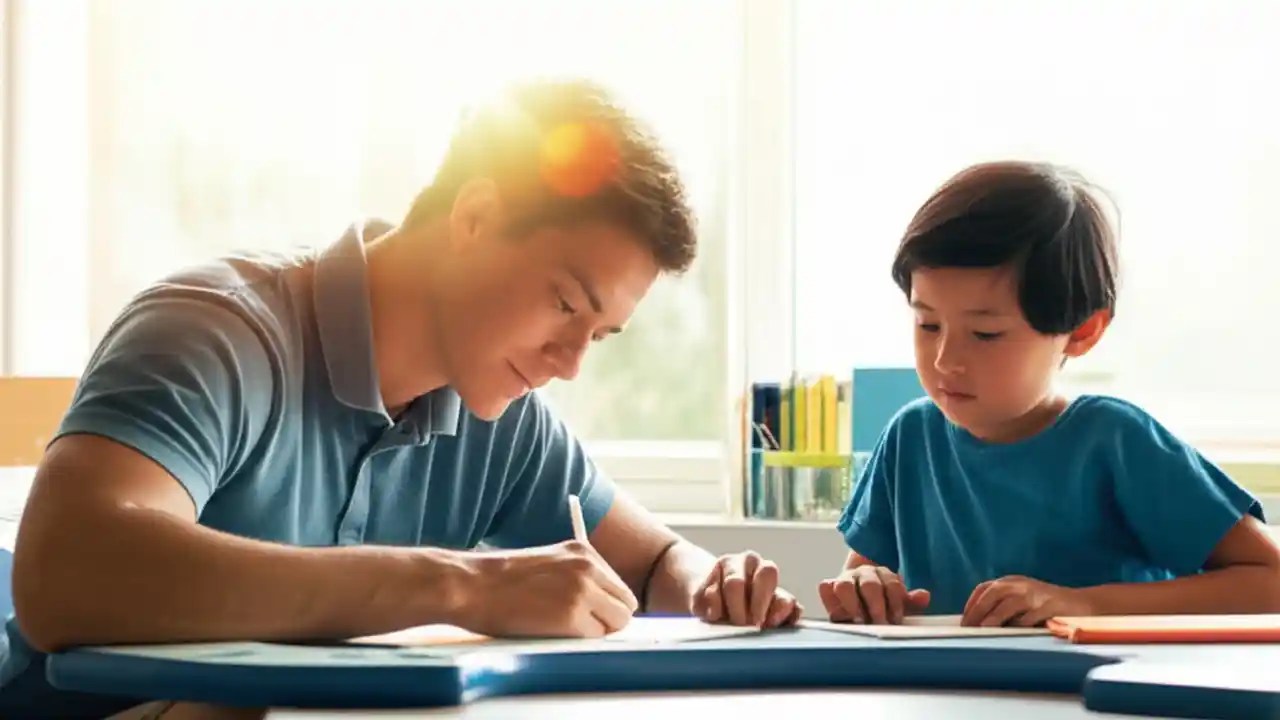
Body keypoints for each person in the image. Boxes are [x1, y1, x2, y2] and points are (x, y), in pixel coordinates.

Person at [1, 79, 800, 719]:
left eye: (601, 335)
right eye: (565, 304)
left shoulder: (502, 417)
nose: (570, 365)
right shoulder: (213, 333)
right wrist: (463, 587)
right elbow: (61, 578)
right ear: (476, 215)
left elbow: (656, 558)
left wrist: (717, 584)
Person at [818, 160, 1280, 628]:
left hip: (1094, 695)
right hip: (944, 695)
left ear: (1082, 331)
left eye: (985, 334)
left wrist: (1083, 605)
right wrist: (863, 587)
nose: (944, 361)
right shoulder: (910, 437)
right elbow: (862, 575)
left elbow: (1272, 580)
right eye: (928, 324)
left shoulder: (1116, 441)